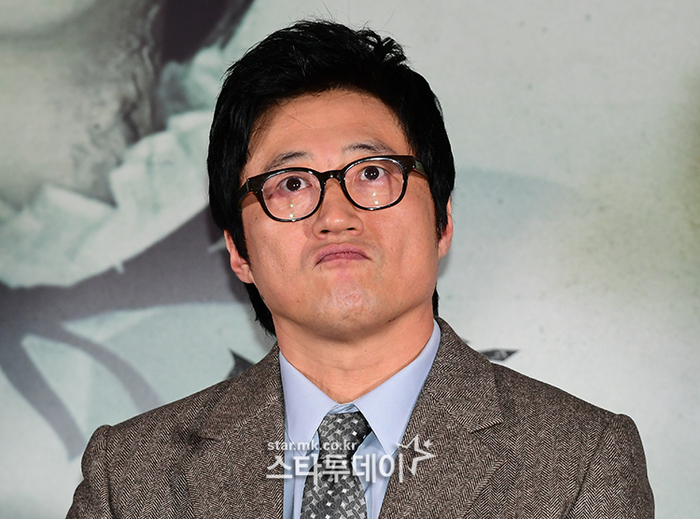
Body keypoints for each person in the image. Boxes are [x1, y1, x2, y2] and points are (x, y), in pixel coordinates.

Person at [67, 20, 654, 518]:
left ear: (442, 222)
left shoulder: (582, 462)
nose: (336, 216)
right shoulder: (131, 479)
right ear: (238, 251)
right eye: (291, 184)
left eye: (372, 173)